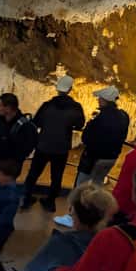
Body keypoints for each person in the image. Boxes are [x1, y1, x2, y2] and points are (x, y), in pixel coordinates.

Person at [55, 86, 131, 227]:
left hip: (93, 158)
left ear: (104, 100)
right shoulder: (123, 116)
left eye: (99, 98)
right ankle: (93, 216)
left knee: (80, 188)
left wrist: (90, 124)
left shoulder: (99, 118)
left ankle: (73, 217)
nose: (98, 100)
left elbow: (86, 138)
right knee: (97, 186)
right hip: (111, 158)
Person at [22, 76, 85, 212]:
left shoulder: (47, 105)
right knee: (56, 177)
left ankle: (26, 199)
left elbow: (37, 122)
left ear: (58, 89)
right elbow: (80, 124)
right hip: (61, 148)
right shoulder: (75, 108)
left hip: (43, 145)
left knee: (33, 173)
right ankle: (50, 202)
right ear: (70, 89)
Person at [0, 93, 38, 174]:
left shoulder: (25, 127)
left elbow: (23, 151)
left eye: (0, 105)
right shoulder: (1, 120)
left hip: (6, 171)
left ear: (8, 108)